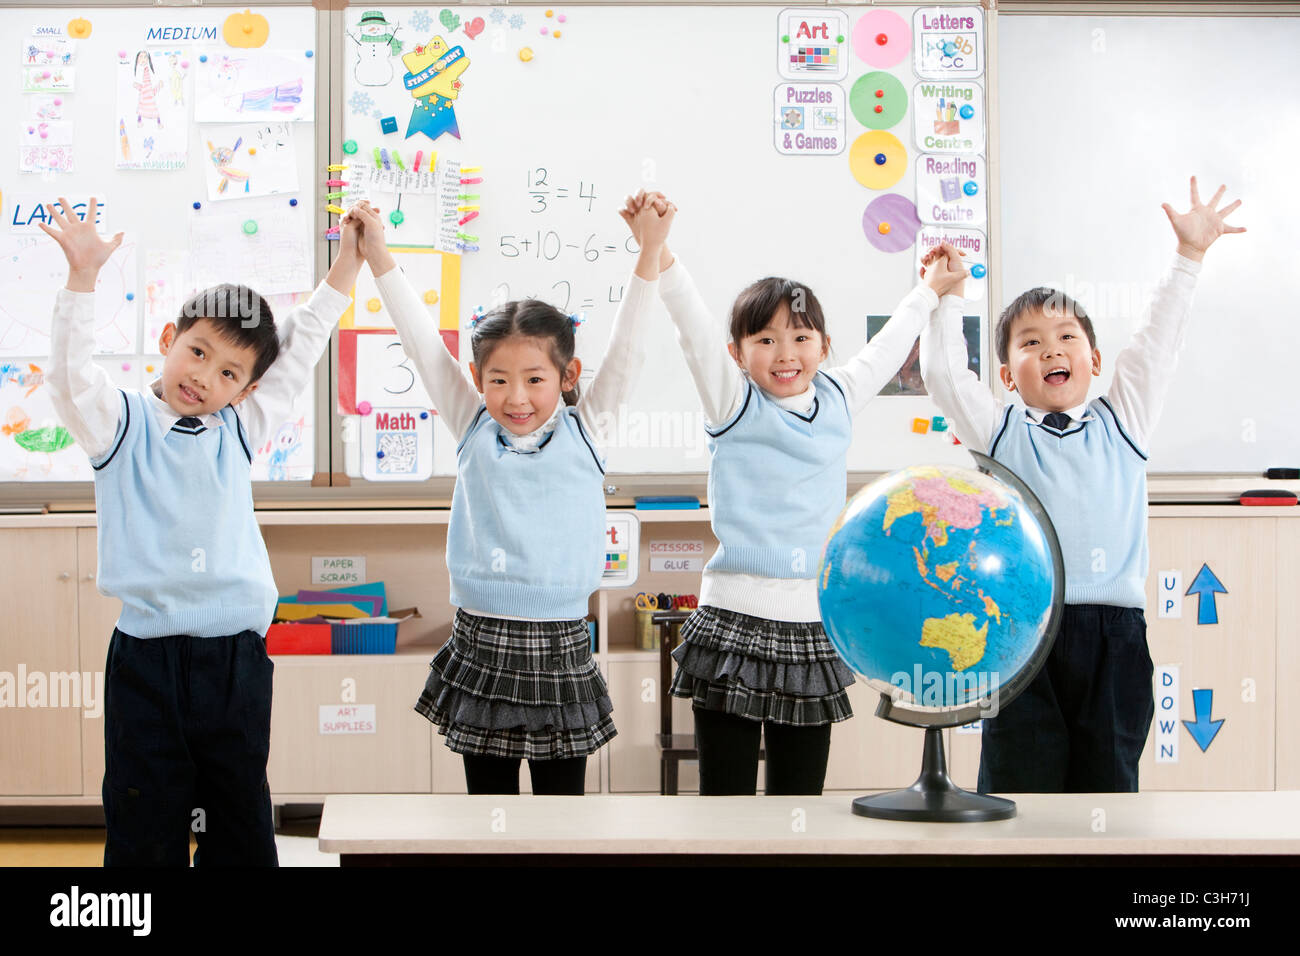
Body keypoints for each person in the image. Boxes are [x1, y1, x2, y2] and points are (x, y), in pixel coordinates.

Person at [43, 196, 364, 864]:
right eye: (197, 352)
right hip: (148, 661)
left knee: (239, 822)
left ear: (246, 389)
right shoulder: (119, 424)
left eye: (228, 373)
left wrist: (346, 267)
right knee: (143, 822)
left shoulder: (238, 429)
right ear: (168, 341)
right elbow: (71, 380)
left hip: (235, 662)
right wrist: (81, 280)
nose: (204, 377)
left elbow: (302, 347)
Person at [623, 190, 965, 795]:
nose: (786, 354)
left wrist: (931, 290)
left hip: (812, 622)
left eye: (801, 338)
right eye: (765, 340)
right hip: (734, 618)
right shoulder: (733, 401)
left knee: (798, 799)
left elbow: (889, 348)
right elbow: (692, 324)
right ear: (737, 354)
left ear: (824, 348)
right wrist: (659, 249)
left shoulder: (837, 396)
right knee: (724, 797)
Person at [918, 176, 1244, 793]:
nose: (1052, 351)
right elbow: (941, 373)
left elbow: (1158, 343)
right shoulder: (998, 429)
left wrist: (1189, 257)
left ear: (1095, 360)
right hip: (1019, 630)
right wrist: (950, 296)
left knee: (1108, 789)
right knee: (1019, 790)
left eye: (1067, 338)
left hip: (1113, 635)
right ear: (1008, 376)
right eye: (1030, 344)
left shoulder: (1124, 418)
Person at [343, 198, 672, 795]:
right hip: (482, 640)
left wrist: (649, 252)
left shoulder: (586, 430)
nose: (516, 398)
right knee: (486, 809)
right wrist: (380, 257)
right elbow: (421, 345)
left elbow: (628, 349)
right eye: (498, 380)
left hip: (561, 641)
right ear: (477, 380)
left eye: (535, 379)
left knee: (559, 812)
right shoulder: (473, 424)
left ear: (568, 378)